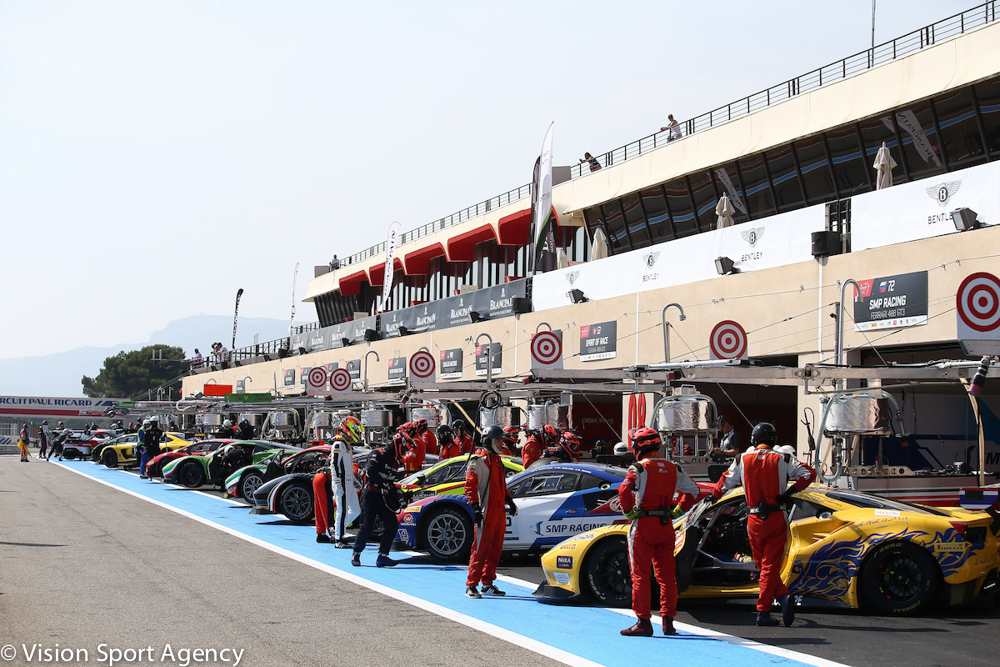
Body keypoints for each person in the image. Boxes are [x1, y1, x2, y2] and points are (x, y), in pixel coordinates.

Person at [711, 422, 815, 627]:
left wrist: (712, 497)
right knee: (768, 567)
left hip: (753, 519)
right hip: (776, 517)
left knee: (763, 566)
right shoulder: (784, 458)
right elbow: (809, 474)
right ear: (774, 440)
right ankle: (777, 601)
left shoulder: (741, 459)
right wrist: (789, 493)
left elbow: (724, 483)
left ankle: (766, 609)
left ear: (754, 440)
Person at [618, 427, 700, 636]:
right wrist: (678, 510)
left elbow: (624, 490)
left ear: (639, 447)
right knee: (667, 577)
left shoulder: (638, 468)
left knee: (640, 576)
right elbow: (694, 490)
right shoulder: (675, 468)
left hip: (643, 526)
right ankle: (668, 623)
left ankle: (643, 622)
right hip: (666, 525)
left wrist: (629, 512)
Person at [464, 425, 517, 598]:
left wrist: (509, 500)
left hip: (499, 511)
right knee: (480, 549)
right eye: (499, 441)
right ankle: (471, 585)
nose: (502, 444)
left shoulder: (497, 460)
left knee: (495, 549)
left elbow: (501, 484)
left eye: (502, 441)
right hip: (486, 511)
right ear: (489, 441)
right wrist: (475, 507)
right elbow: (470, 487)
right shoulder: (478, 461)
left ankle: (487, 583)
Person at [352, 433, 406, 567]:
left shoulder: (395, 462)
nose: (405, 452)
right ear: (398, 445)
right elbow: (371, 471)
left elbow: (390, 483)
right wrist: (384, 484)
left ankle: (383, 556)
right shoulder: (378, 454)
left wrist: (399, 494)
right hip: (371, 494)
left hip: (384, 496)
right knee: (366, 526)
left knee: (392, 524)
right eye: (404, 449)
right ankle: (356, 553)